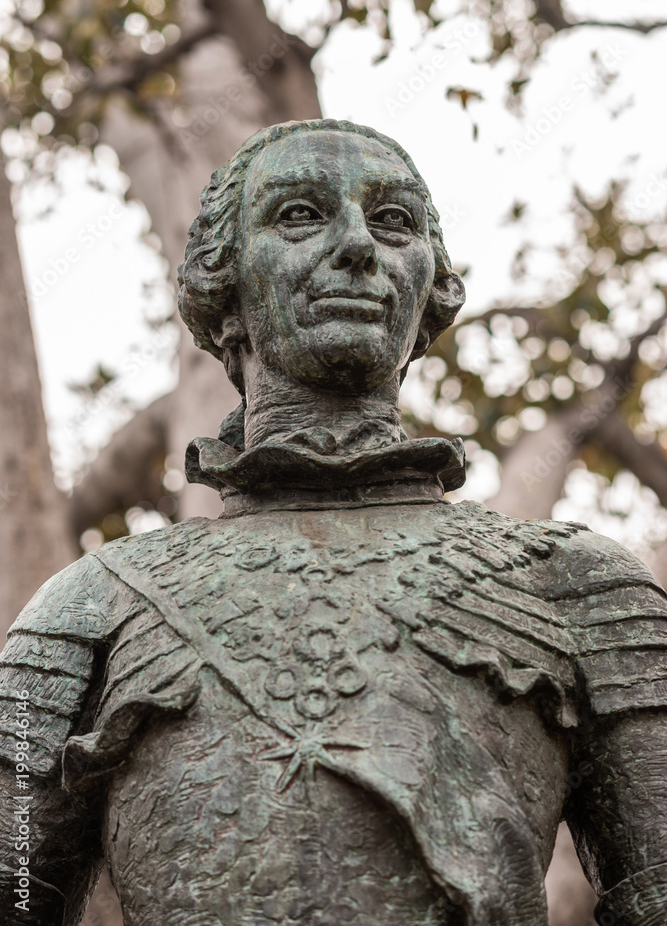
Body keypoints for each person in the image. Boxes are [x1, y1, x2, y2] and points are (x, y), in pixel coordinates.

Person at [1, 118, 666, 926]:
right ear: (225, 288)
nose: (358, 246)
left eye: (393, 222)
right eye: (298, 216)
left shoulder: (579, 584)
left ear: (428, 295)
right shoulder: (90, 605)